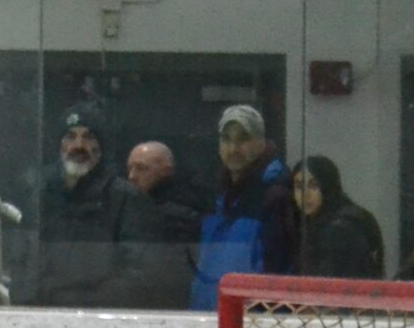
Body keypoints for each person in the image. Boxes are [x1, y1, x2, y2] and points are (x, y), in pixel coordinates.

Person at [191, 104, 296, 311]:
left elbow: (278, 274)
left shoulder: (276, 196)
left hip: (252, 327)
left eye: (243, 139)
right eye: (226, 139)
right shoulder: (214, 194)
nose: (233, 148)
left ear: (261, 142)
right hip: (210, 321)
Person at [27, 102, 133, 306]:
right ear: (59, 145)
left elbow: (139, 279)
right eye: (70, 136)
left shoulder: (126, 199)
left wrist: (75, 303)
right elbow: (23, 267)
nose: (78, 146)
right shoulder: (40, 197)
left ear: (101, 146)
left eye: (89, 137)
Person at [113, 140, 202, 309]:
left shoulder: (179, 217)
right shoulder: (131, 208)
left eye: (141, 168)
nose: (132, 176)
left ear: (166, 171)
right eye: (130, 168)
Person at [292, 155, 384, 279]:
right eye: (298, 186)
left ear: (328, 186)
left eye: (314, 186)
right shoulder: (314, 222)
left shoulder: (339, 230)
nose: (305, 194)